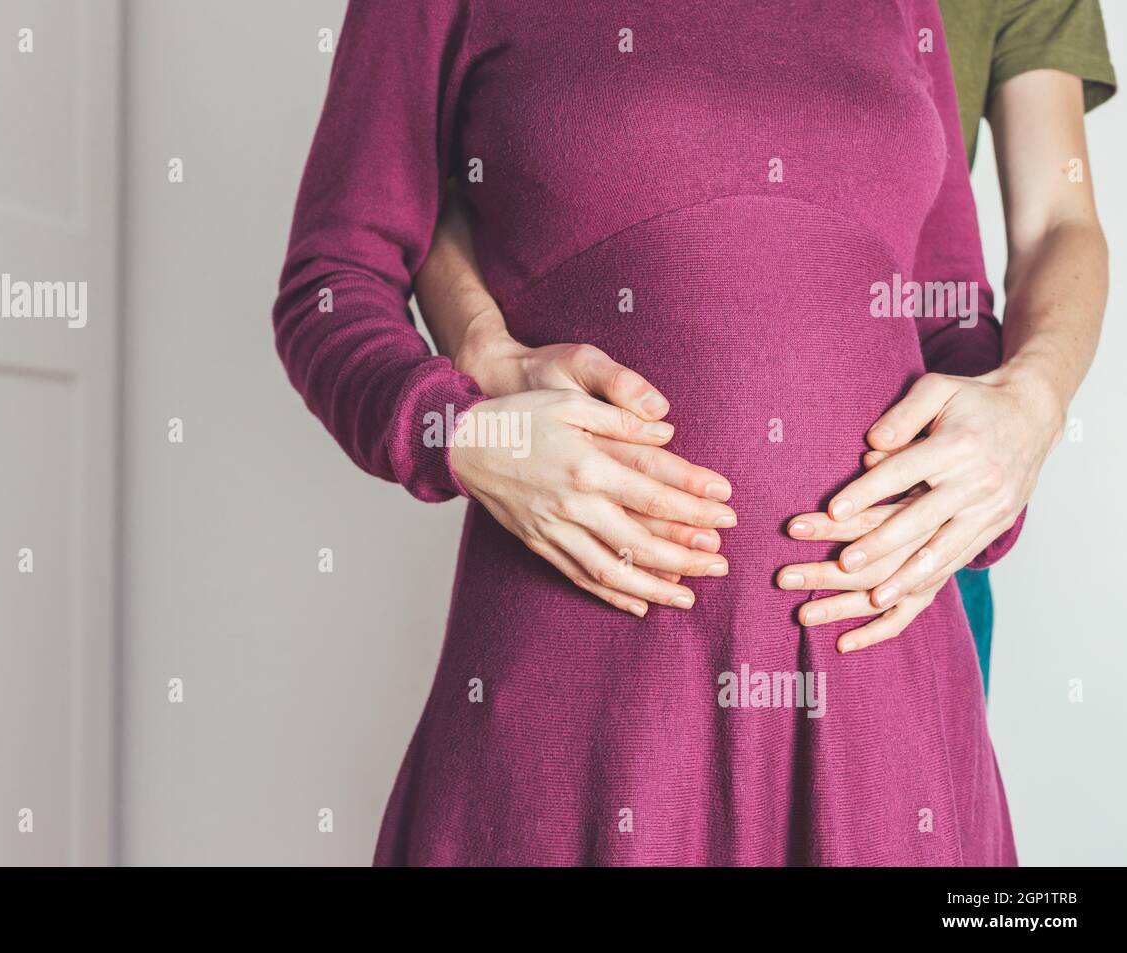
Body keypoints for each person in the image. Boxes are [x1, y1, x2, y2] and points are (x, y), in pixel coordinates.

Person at [274, 0, 1045, 864]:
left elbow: (949, 316)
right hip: (586, 687)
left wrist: (995, 455)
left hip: (886, 700)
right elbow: (334, 283)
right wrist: (454, 434)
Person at [415, 0, 1115, 697]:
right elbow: (443, 189)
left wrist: (1031, 406)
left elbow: (1053, 222)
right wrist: (479, 357)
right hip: (590, 536)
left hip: (906, 532)